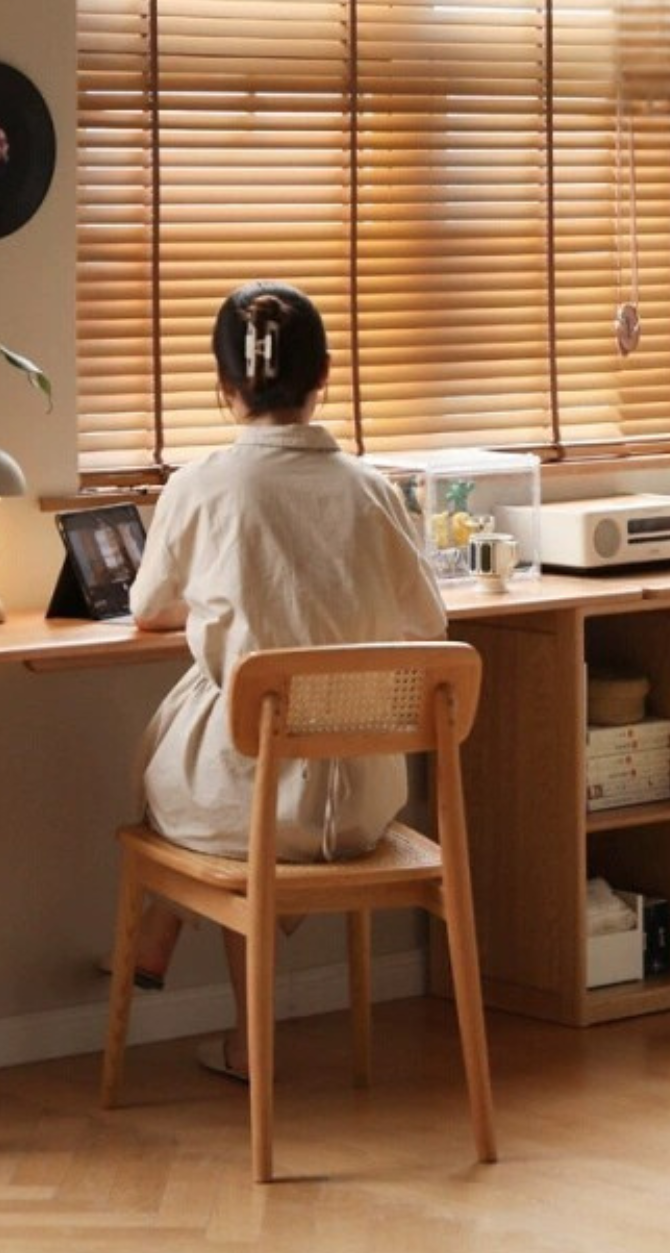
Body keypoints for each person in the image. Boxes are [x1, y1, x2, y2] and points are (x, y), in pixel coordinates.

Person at [123, 280, 447, 1079]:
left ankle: (182, 943)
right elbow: (429, 625)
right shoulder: (373, 492)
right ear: (325, 375)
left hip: (250, 803)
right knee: (260, 757)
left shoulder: (201, 487)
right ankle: (235, 1023)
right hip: (363, 808)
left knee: (218, 755)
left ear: (222, 389)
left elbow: (147, 608)